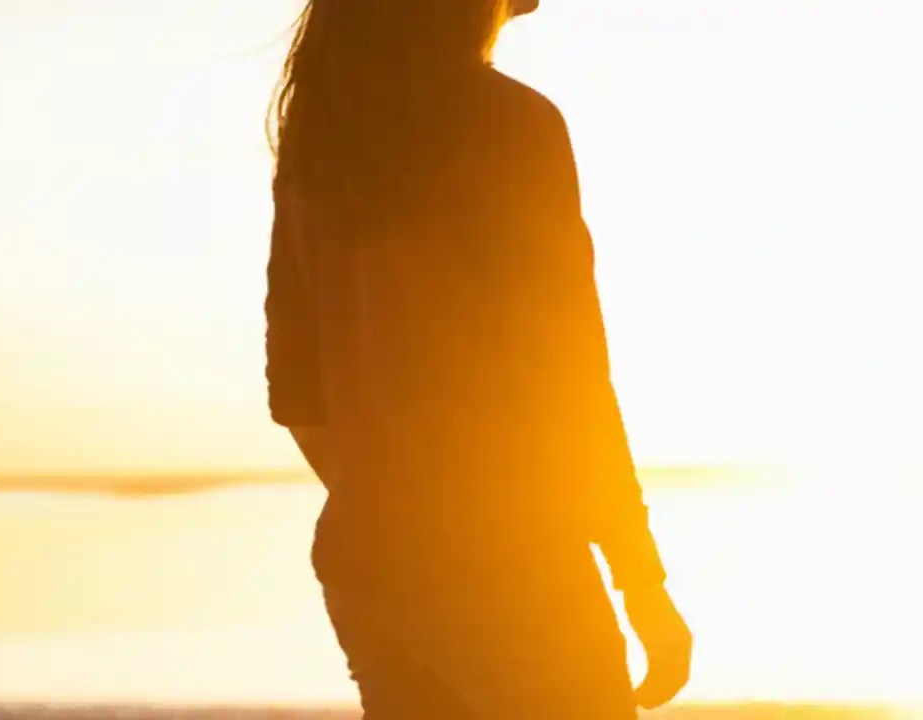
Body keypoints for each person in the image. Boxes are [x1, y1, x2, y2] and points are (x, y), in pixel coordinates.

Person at [264, 0, 691, 717]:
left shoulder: (320, 141)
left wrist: (391, 496)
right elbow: (570, 377)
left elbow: (296, 392)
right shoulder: (512, 128)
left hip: (371, 566)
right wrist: (639, 578)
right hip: (511, 566)